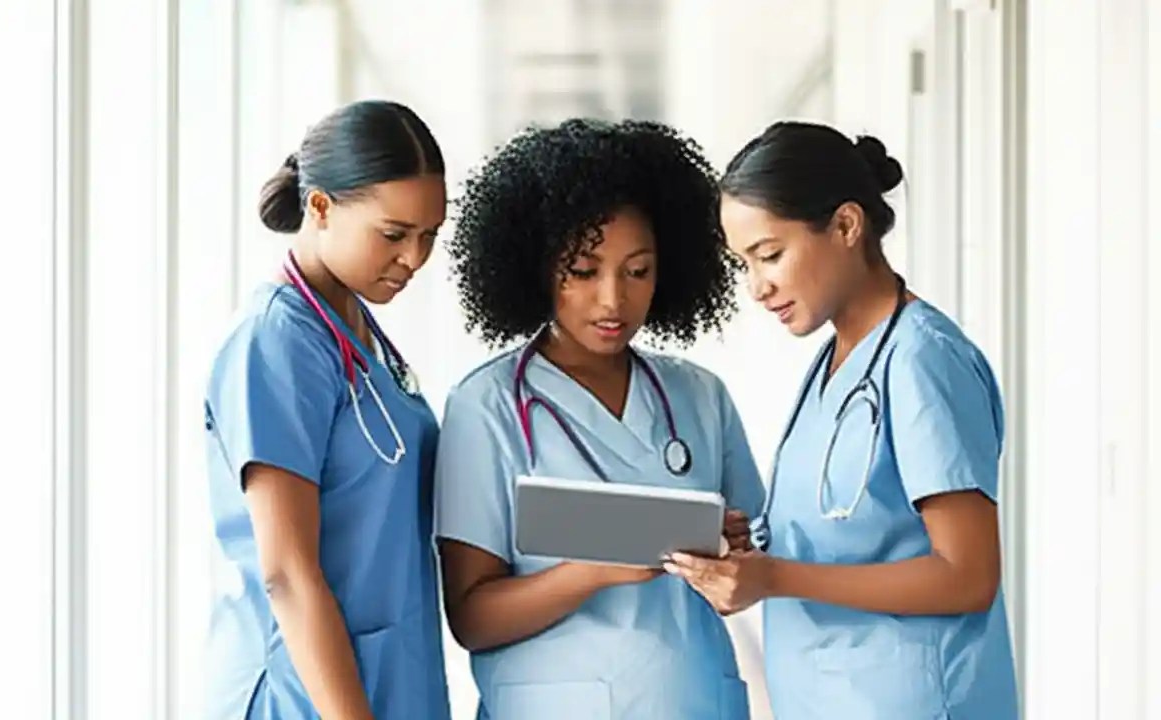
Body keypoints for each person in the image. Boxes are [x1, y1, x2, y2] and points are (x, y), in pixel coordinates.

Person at [666, 120, 1019, 718]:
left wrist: (775, 577)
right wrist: (744, 550)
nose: (757, 287)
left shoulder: (923, 360)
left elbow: (967, 575)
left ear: (847, 226)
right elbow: (845, 531)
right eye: (743, 265)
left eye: (770, 255)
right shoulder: (835, 362)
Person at [435, 118, 765, 720]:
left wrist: (735, 557)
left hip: (695, 699)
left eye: (637, 271)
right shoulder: (486, 407)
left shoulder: (699, 396)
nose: (613, 300)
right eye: (584, 271)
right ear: (538, 267)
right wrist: (590, 572)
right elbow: (471, 618)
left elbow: (750, 576)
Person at [202, 100, 452, 720]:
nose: (414, 259)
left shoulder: (356, 329)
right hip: (303, 696)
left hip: (392, 681)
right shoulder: (277, 341)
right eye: (393, 235)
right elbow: (286, 571)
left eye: (428, 236)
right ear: (319, 207)